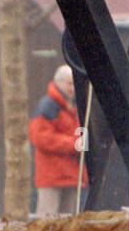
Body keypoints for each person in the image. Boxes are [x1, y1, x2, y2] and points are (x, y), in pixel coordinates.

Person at [27, 64, 87, 216]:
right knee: (49, 222)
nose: (73, 88)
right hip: (52, 177)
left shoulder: (74, 106)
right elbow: (40, 138)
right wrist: (74, 144)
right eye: (69, 83)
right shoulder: (48, 106)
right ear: (58, 82)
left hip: (70, 176)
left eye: (74, 84)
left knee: (65, 224)